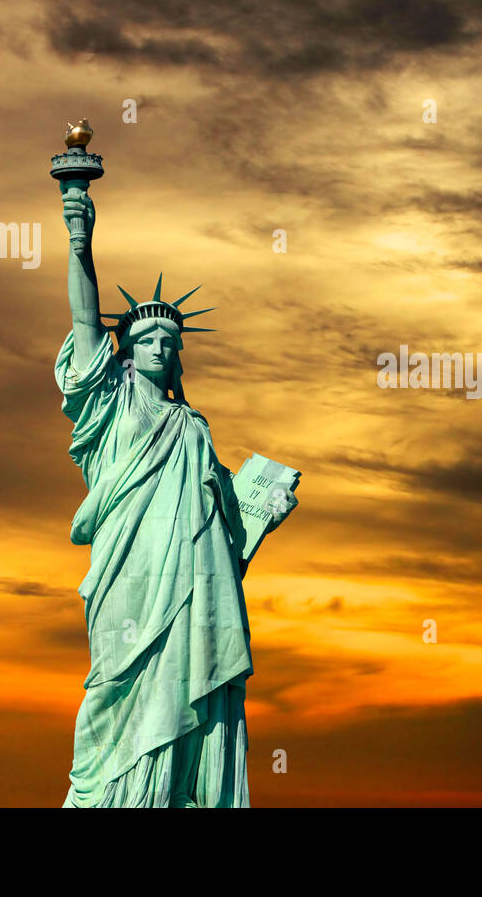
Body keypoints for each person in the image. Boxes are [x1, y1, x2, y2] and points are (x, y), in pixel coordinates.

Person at [55, 182, 295, 807]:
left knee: (187, 683)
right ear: (127, 351)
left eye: (169, 341)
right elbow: (85, 321)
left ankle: (173, 793)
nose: (160, 348)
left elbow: (222, 531)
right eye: (147, 340)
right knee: (115, 686)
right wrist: (80, 238)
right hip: (128, 572)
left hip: (192, 581)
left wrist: (262, 512)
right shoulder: (109, 407)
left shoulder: (193, 428)